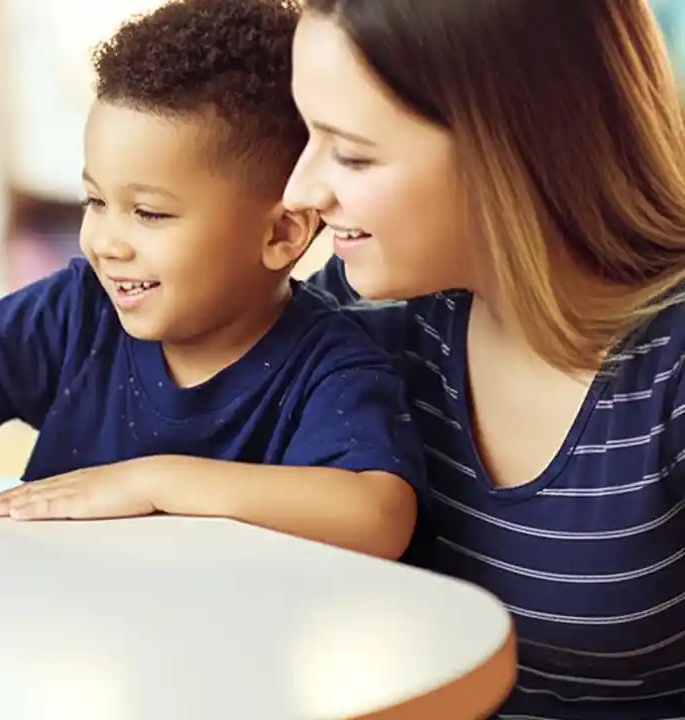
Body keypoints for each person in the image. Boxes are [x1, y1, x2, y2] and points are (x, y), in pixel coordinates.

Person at [0, 0, 425, 560]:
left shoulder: (331, 363)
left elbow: (376, 514)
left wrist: (154, 482)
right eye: (96, 202)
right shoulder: (78, 312)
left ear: (281, 234)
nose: (106, 242)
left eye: (149, 212)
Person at [284, 1, 685, 716]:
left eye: (351, 153)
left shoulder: (670, 371)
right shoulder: (376, 313)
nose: (302, 191)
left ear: (517, 145)